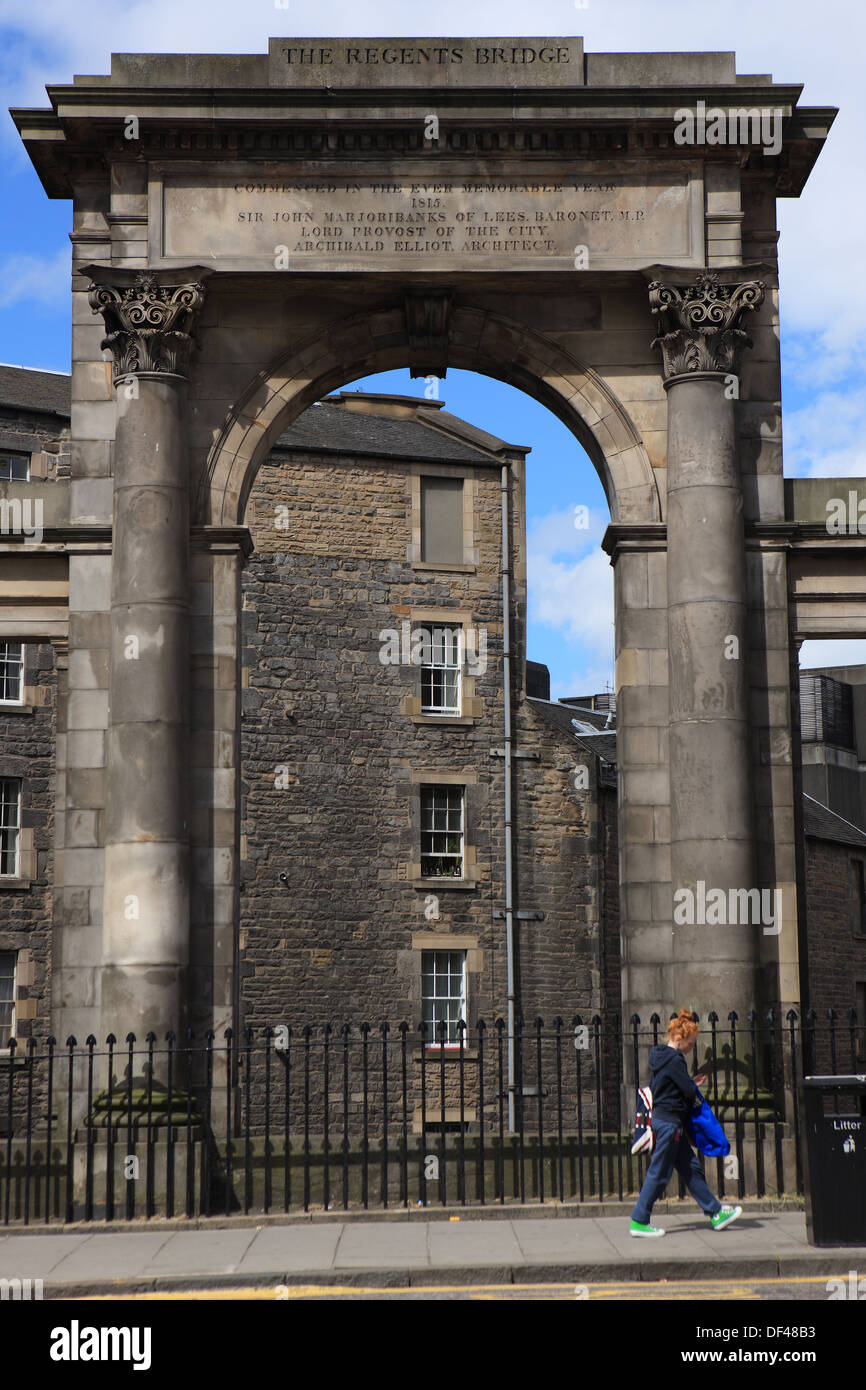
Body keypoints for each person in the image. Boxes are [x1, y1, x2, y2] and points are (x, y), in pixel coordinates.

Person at [630, 1008, 742, 1237]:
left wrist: (689, 1083)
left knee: (691, 1169)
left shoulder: (659, 1056)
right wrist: (693, 1085)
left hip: (667, 1121)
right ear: (678, 1039)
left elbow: (671, 1087)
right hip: (669, 1124)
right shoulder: (674, 1059)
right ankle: (639, 1221)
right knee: (659, 1173)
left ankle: (716, 1212)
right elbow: (688, 1091)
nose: (691, 1049)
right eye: (691, 1044)